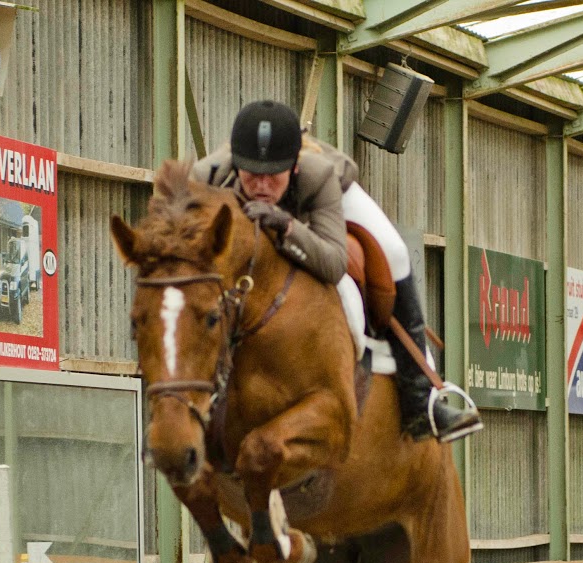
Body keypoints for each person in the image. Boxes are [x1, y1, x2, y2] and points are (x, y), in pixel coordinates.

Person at [191, 100, 481, 444]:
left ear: (293, 167)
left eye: (274, 177)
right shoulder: (207, 179)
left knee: (395, 251)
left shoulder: (317, 175)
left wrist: (286, 226)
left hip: (330, 198)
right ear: (236, 166)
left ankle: (421, 400)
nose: (263, 186)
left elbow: (332, 263)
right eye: (252, 175)